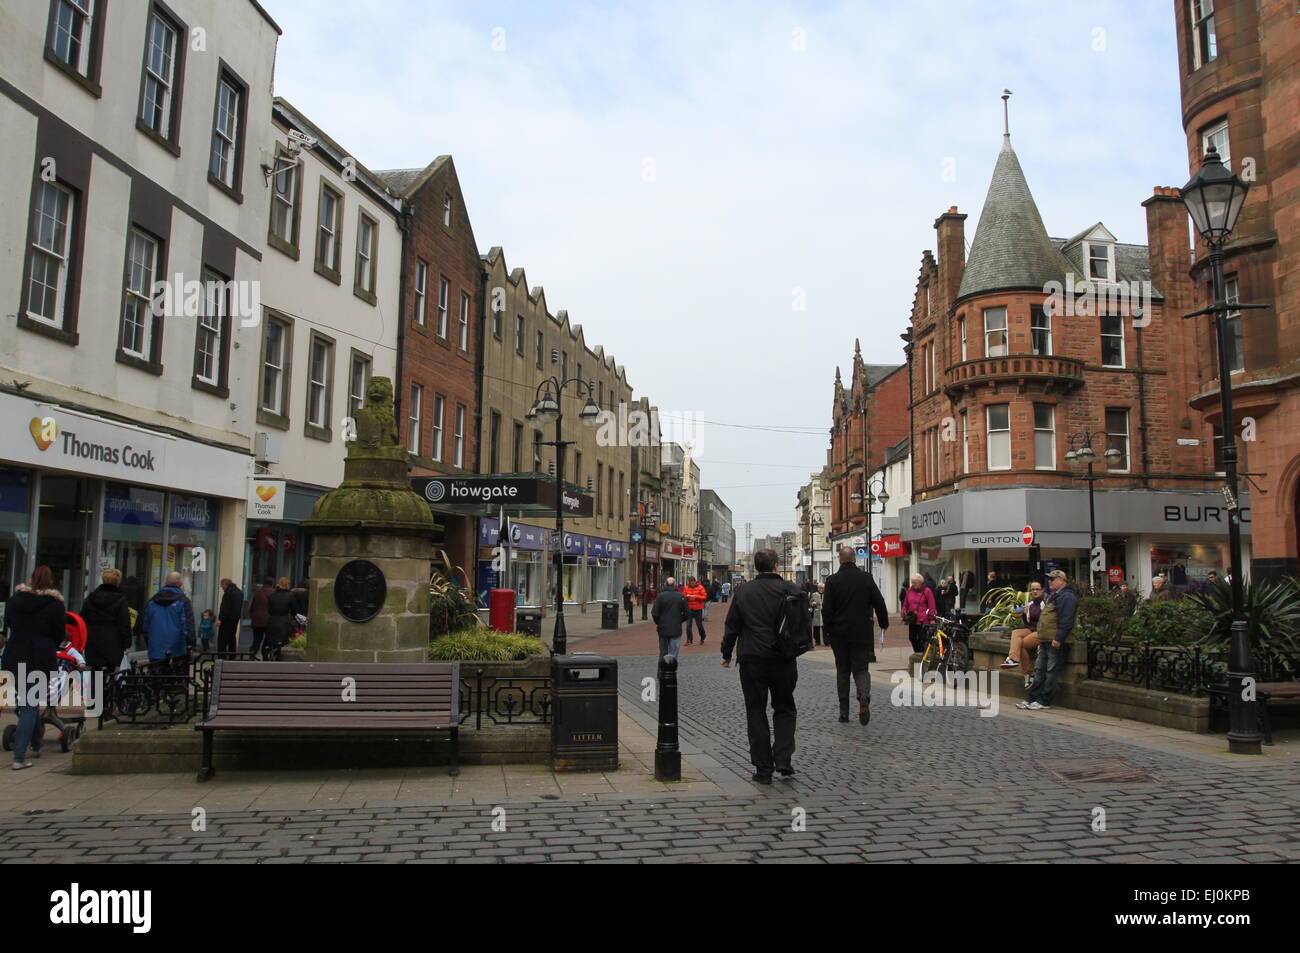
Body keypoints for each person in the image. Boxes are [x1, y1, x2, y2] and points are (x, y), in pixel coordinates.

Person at [720, 549, 799, 784]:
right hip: (783, 658)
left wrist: (726, 652)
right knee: (784, 707)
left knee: (756, 710)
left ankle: (763, 768)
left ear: (756, 567)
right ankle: (783, 759)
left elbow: (732, 625)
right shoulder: (790, 589)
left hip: (753, 658)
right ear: (775, 565)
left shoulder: (744, 591)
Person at [3, 566, 64, 769]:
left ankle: (37, 744)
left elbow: (9, 622)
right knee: (30, 705)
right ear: (51, 581)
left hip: (16, 653)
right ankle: (19, 756)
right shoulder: (54, 604)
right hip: (40, 656)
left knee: (27, 703)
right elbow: (59, 632)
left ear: (30, 579)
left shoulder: (16, 600)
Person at [821, 546, 890, 725]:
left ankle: (844, 712)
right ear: (855, 559)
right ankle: (864, 696)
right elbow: (879, 602)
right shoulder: (866, 578)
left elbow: (826, 610)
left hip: (839, 634)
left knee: (842, 670)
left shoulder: (832, 581)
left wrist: (826, 632)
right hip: (861, 633)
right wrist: (884, 623)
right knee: (861, 669)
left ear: (839, 560)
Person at [1017, 570, 1079, 711]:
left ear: (1062, 581)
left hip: (1056, 641)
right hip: (1045, 640)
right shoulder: (1054, 596)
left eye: (1053, 579)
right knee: (1039, 670)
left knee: (1051, 671)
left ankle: (1044, 700)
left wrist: (1058, 638)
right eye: (1049, 579)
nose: (1050, 582)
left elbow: (1067, 620)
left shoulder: (1067, 597)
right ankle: (1032, 698)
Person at [79, 568, 132, 674]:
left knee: (94, 671)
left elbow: (82, 618)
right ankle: (106, 689)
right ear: (117, 582)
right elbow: (124, 624)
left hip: (93, 638)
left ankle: (95, 689)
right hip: (113, 641)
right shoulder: (120, 599)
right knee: (110, 673)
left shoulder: (91, 597)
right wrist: (127, 642)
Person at [139, 571, 195, 662]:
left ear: (165, 582)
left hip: (155, 649)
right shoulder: (183, 601)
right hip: (178, 650)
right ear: (180, 583)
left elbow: (145, 627)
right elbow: (188, 627)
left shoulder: (152, 602)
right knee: (176, 675)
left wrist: (149, 643)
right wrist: (191, 645)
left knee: (157, 674)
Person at [1000, 581, 1047, 690]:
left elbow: (1047, 621)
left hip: (1042, 631)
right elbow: (1028, 623)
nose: (1034, 591)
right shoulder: (1029, 604)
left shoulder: (1045, 603)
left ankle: (1028, 673)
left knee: (1022, 643)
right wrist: (1024, 614)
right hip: (1032, 630)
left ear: (1042, 590)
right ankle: (1013, 659)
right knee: (1016, 633)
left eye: (1037, 589)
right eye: (1033, 589)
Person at [651, 576, 687, 660]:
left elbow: (654, 613)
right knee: (673, 653)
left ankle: (661, 671)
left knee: (663, 652)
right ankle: (672, 669)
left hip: (663, 628)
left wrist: (659, 622)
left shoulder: (660, 596)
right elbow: (687, 613)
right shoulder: (680, 596)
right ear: (675, 584)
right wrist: (679, 620)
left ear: (665, 584)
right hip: (676, 628)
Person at [901, 573, 937, 653]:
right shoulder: (910, 590)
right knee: (912, 638)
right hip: (912, 619)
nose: (913, 584)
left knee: (922, 639)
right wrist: (903, 613)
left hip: (923, 620)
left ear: (921, 583)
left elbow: (932, 606)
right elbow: (906, 603)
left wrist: (932, 618)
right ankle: (918, 653)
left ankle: (922, 655)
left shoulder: (927, 591)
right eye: (912, 582)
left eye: (915, 583)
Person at [265, 577, 295, 656]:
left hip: (272, 621)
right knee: (282, 642)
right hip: (284, 621)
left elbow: (269, 609)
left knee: (272, 641)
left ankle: (270, 655)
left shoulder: (272, 595)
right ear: (287, 585)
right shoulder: (290, 596)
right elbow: (294, 611)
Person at [217, 577, 243, 654]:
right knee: (232, 638)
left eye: (222, 585)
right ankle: (232, 655)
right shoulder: (239, 592)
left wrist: (220, 619)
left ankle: (222, 655)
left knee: (222, 639)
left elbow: (224, 607)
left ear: (225, 584)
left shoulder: (228, 592)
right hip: (235, 619)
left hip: (226, 619)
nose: (221, 587)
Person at [248, 576, 272, 657]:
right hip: (269, 621)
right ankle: (265, 654)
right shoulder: (273, 592)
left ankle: (252, 654)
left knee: (256, 639)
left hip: (257, 620)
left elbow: (251, 607)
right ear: (272, 584)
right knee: (268, 639)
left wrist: (252, 617)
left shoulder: (257, 592)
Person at [681, 576, 709, 645]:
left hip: (698, 609)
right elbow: (682, 597)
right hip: (689, 609)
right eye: (690, 583)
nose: (691, 584)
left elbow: (704, 597)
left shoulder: (700, 587)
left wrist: (696, 596)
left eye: (692, 582)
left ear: (695, 581)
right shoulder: (686, 588)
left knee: (699, 625)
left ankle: (703, 636)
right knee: (688, 625)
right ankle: (689, 640)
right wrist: (686, 597)